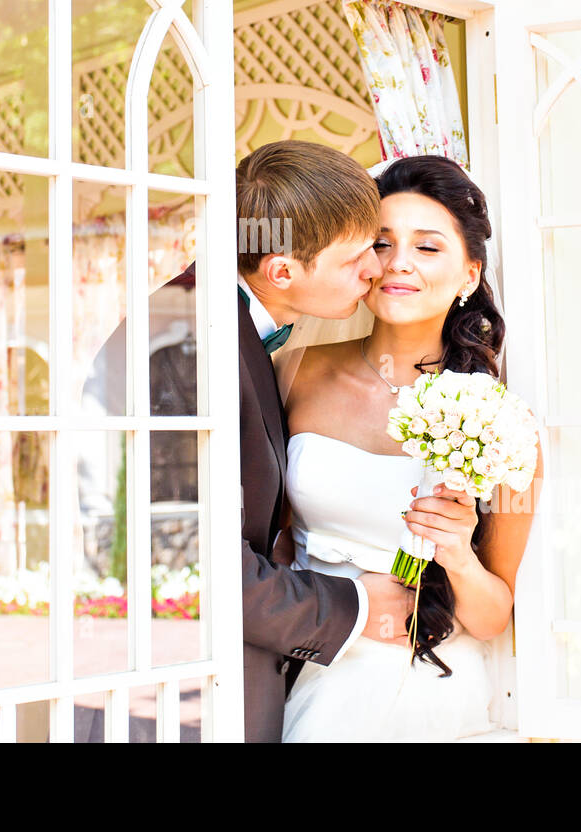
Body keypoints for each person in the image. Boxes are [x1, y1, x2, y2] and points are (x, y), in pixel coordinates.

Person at [275, 154, 544, 742]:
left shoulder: (499, 423)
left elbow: (494, 614)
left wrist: (457, 554)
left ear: (469, 275)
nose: (397, 264)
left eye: (427, 248)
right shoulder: (294, 372)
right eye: (380, 242)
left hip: (427, 685)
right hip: (306, 663)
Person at [235, 140, 421, 743]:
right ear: (282, 271)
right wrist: (358, 607)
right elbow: (184, 559)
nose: (379, 269)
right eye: (356, 257)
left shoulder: (248, 335)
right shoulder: (191, 347)